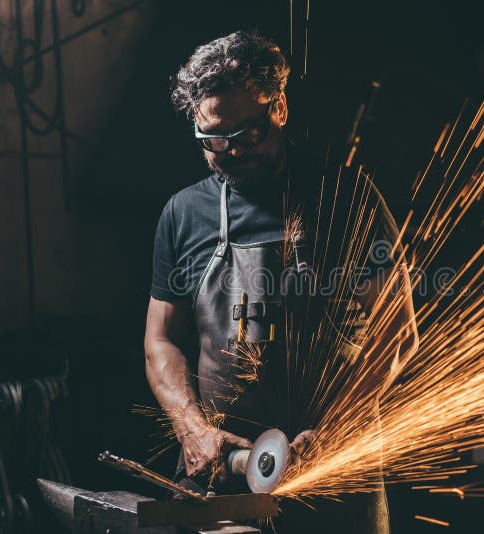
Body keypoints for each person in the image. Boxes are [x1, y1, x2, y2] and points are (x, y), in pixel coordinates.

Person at [144, 31, 417, 533]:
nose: (231, 151)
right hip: (222, 478)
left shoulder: (345, 199)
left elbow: (396, 332)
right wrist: (192, 429)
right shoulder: (183, 214)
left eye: (248, 133)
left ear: (281, 109)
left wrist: (336, 428)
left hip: (335, 482)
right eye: (214, 139)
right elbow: (160, 340)